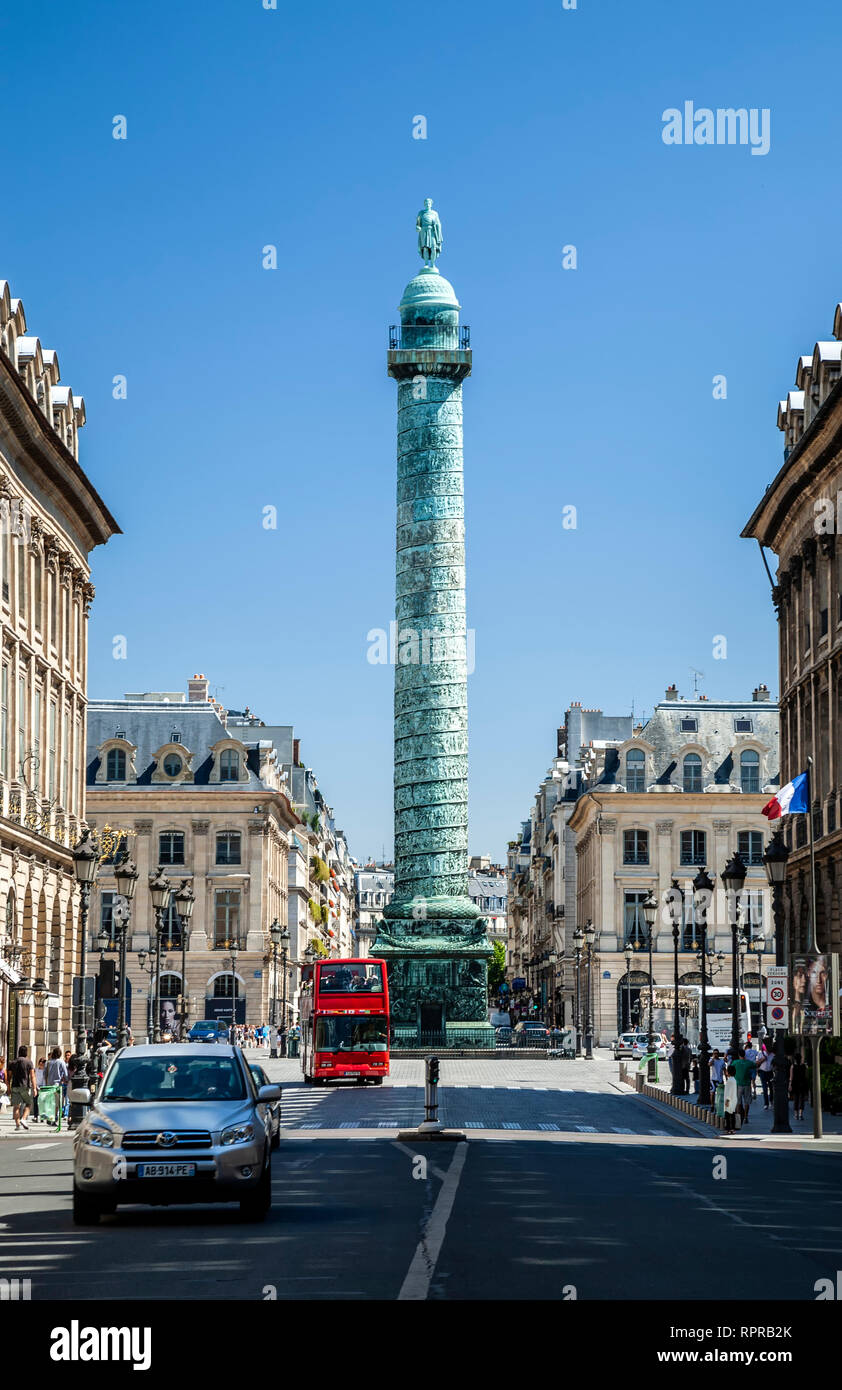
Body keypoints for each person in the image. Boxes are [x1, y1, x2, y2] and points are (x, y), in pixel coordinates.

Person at [9, 1045, 37, 1132]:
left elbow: (9, 1076)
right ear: (26, 1053)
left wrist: (8, 1088)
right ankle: (23, 1119)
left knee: (16, 1107)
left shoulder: (12, 1062)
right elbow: (32, 1076)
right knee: (28, 1104)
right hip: (25, 1086)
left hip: (14, 1086)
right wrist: (35, 1088)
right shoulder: (29, 1062)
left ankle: (17, 1125)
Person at [732, 1047, 755, 1125]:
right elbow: (756, 1065)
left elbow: (730, 1069)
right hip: (747, 1084)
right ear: (744, 1054)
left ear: (739, 1055)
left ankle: (738, 1119)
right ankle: (745, 1117)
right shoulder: (749, 1063)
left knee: (738, 1102)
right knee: (747, 1102)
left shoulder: (735, 1062)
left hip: (738, 1084)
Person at [790, 1051, 809, 1121]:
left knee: (796, 1099)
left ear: (795, 1059)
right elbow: (806, 1076)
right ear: (801, 1058)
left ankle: (796, 1115)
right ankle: (801, 1114)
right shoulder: (804, 1066)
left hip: (795, 1084)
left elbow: (791, 1077)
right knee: (802, 1099)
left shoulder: (792, 1066)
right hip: (802, 1084)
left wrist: (790, 1085)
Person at [723, 1064, 738, 1136]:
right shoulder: (734, 1080)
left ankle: (728, 1129)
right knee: (732, 1114)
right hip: (733, 1099)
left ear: (728, 1072)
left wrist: (727, 1100)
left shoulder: (730, 1081)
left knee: (727, 1115)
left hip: (729, 1100)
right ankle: (732, 1129)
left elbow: (729, 1091)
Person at [757, 1044, 774, 1109]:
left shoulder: (772, 1055)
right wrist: (762, 1059)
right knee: (764, 1088)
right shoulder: (760, 1054)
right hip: (762, 1072)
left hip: (770, 1072)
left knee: (771, 1087)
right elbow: (757, 1063)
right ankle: (766, 1103)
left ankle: (771, 1101)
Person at [33, 1057, 47, 1122]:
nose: (41, 1063)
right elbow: (34, 1078)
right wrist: (36, 1087)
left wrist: (43, 1088)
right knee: (35, 1102)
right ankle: (35, 1116)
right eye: (40, 1061)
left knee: (42, 1103)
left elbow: (45, 1080)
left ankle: (42, 1116)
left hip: (43, 1087)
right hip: (36, 1087)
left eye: (43, 1062)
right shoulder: (35, 1070)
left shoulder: (45, 1071)